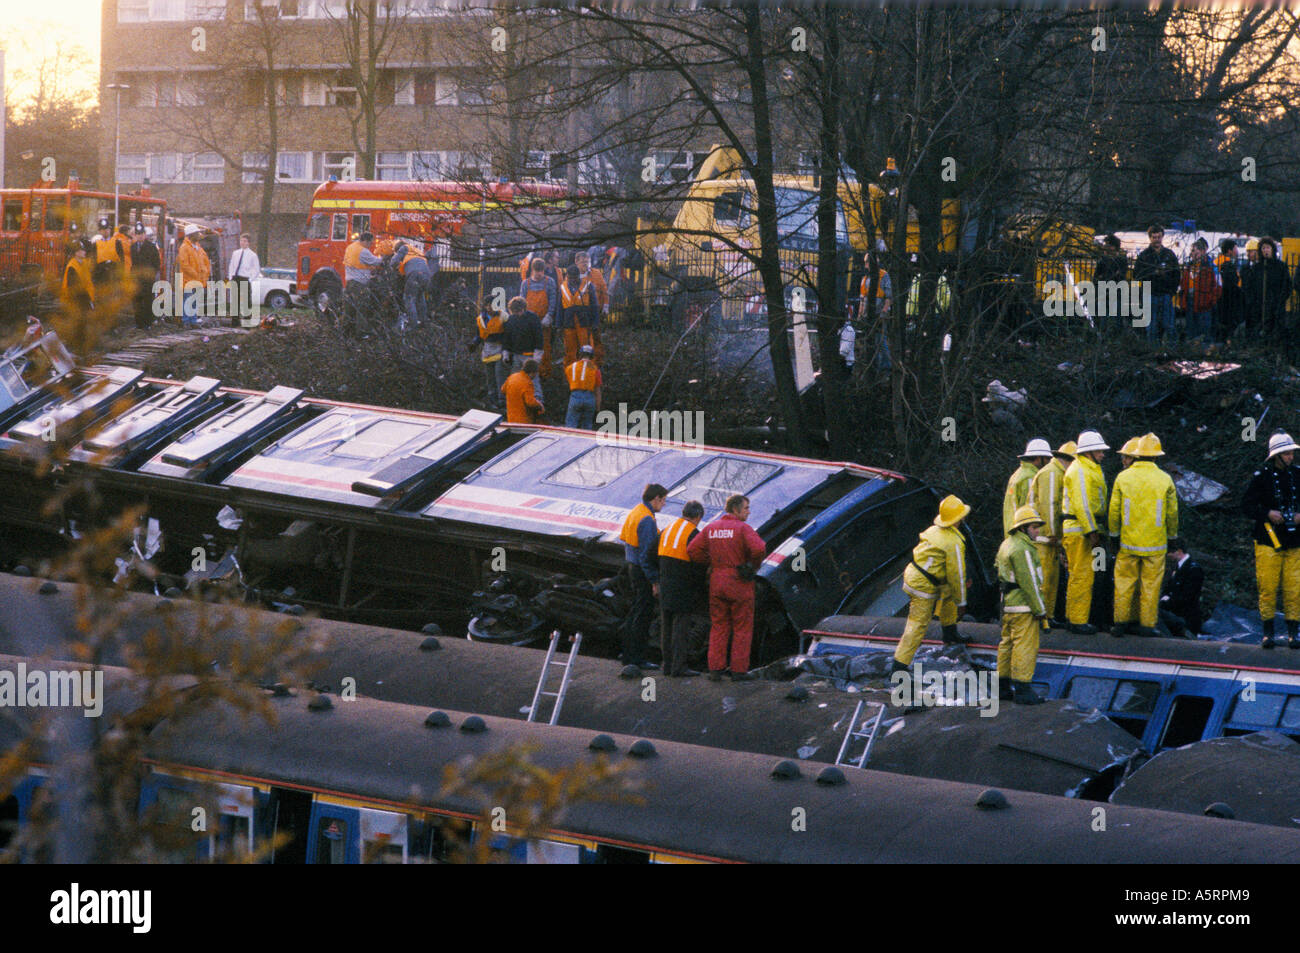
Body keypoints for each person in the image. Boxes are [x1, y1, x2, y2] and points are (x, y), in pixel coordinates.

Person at [890, 494, 972, 678]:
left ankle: (950, 633)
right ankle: (899, 666)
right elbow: (957, 575)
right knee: (917, 624)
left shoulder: (932, 531)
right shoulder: (954, 542)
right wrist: (962, 603)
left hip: (916, 574)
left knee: (948, 593)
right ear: (959, 518)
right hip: (923, 586)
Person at [688, 493, 768, 681]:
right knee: (742, 627)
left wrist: (711, 563)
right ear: (736, 509)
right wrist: (752, 566)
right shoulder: (743, 528)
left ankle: (715, 670)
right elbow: (759, 549)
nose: (749, 512)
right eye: (746, 508)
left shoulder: (711, 528)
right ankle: (738, 671)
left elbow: (692, 550)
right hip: (739, 582)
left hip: (717, 581)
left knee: (718, 625)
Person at [1108, 433, 1178, 638]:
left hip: (1128, 542)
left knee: (1124, 582)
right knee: (1150, 585)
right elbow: (1172, 513)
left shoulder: (1123, 477)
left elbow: (1114, 510)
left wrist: (1114, 535)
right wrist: (1172, 536)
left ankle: (1120, 623)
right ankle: (1147, 625)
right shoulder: (1165, 479)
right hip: (1155, 544)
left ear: (1137, 454)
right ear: (1156, 456)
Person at [1242, 430, 1300, 649]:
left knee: (1294, 588)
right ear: (1275, 455)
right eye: (1286, 454)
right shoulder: (1262, 477)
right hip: (1268, 540)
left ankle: (1294, 633)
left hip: (1295, 542)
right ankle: (1268, 633)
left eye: (1291, 453)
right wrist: (1267, 513)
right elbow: (1246, 506)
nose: (1290, 457)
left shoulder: (1298, 475)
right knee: (1267, 587)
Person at [996, 505, 1048, 705]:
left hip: (1008, 605)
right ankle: (1023, 690)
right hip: (1024, 607)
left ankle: (1002, 688)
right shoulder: (1023, 549)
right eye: (1034, 527)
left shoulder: (1006, 544)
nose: (1037, 532)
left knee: (1006, 645)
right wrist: (1040, 610)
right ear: (1023, 528)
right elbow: (1030, 583)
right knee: (1025, 646)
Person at [1061, 429, 1110, 633]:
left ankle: (1075, 618)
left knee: (1084, 575)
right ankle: (1077, 621)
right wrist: (1091, 531)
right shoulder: (1080, 470)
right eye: (1099, 451)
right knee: (1081, 576)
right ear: (1088, 452)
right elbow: (1082, 504)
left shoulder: (1088, 468)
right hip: (1080, 530)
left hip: (1085, 528)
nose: (1102, 454)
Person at [619, 484, 667, 672]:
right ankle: (637, 658)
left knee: (635, 612)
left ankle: (627, 653)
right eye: (663, 500)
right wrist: (654, 581)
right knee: (643, 615)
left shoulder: (636, 511)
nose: (663, 504)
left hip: (632, 566)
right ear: (655, 499)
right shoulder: (647, 520)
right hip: (642, 571)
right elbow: (647, 555)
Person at [657, 500, 707, 677]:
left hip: (665, 584)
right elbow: (699, 564)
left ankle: (667, 665)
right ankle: (679, 667)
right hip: (683, 587)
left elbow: (652, 554)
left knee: (666, 627)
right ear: (698, 516)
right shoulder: (694, 534)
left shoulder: (667, 529)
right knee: (681, 629)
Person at [1029, 440, 1075, 627]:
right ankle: (1043, 618)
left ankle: (1048, 616)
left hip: (1046, 537)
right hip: (1044, 537)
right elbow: (1049, 505)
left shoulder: (1054, 472)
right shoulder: (1052, 474)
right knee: (1045, 579)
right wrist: (1054, 534)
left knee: (1050, 579)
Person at [1132, 225, 1180, 344]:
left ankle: (1171, 349)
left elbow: (1177, 274)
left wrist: (1172, 291)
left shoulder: (1169, 255)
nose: (1157, 240)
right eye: (1154, 237)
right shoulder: (1144, 256)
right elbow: (1137, 274)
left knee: (1169, 325)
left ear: (1162, 237)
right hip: (1150, 294)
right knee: (1151, 326)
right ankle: (1152, 349)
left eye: (1159, 237)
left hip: (1165, 294)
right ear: (1150, 238)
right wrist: (1153, 273)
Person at [1242, 236, 1291, 340]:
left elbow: (1287, 286)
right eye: (1263, 248)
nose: (1266, 250)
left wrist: (1280, 300)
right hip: (1259, 306)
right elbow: (1250, 287)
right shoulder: (1256, 268)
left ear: (1272, 249)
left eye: (1268, 247)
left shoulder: (1281, 267)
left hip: (1276, 306)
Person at [502, 296, 545, 410]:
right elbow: (507, 338)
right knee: (515, 380)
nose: (518, 313)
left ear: (524, 308)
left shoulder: (533, 318)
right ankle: (517, 403)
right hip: (516, 356)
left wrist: (537, 356)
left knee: (534, 381)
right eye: (516, 311)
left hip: (530, 356)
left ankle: (538, 404)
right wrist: (506, 353)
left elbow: (539, 337)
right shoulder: (511, 320)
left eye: (520, 311)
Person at [1003, 438, 1051, 536]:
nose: (1048, 462)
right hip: (1023, 532)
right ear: (1038, 457)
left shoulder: (1018, 474)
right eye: (1047, 458)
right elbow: (1029, 509)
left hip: (1014, 531)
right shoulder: (1030, 477)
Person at [520, 257, 558, 380]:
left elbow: (553, 300)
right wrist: (524, 319)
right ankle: (528, 374)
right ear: (532, 270)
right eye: (537, 271)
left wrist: (549, 315)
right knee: (528, 349)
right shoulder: (525, 283)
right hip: (529, 322)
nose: (539, 273)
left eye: (541, 271)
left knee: (545, 348)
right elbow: (522, 302)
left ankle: (544, 374)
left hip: (544, 322)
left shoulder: (550, 282)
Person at [1159, 537, 1204, 638]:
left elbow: (1187, 596)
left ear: (1179, 551)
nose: (1167, 555)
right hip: (1176, 612)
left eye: (1169, 552)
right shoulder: (1178, 567)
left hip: (1186, 617)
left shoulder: (1193, 569)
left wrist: (1167, 602)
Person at [1178, 238, 1220, 345]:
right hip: (1190, 303)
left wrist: (1210, 300)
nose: (1193, 254)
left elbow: (1218, 286)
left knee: (1204, 332)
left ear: (1203, 252)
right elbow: (1182, 285)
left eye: (1196, 252)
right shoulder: (1188, 267)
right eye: (1192, 252)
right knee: (1191, 331)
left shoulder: (1211, 267)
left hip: (1204, 305)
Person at [858, 252, 892, 371]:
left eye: (867, 263)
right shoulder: (865, 279)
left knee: (880, 341)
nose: (866, 266)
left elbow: (889, 297)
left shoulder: (884, 276)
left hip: (879, 315)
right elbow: (862, 299)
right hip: (868, 316)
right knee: (871, 341)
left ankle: (886, 367)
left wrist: (884, 311)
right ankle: (875, 366)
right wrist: (860, 315)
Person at [342, 231, 382, 333]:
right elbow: (376, 261)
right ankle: (361, 332)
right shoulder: (363, 251)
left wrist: (369, 269)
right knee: (362, 308)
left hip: (349, 283)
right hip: (359, 284)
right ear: (366, 241)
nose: (370, 246)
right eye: (370, 243)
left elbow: (358, 263)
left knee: (349, 309)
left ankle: (345, 331)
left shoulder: (351, 247)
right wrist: (384, 257)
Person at [558, 263, 597, 366]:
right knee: (569, 349)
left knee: (586, 348)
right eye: (570, 278)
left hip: (584, 321)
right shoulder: (562, 287)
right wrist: (558, 324)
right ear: (567, 276)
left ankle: (587, 369)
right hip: (568, 322)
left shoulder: (588, 285)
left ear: (578, 276)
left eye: (574, 278)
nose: (572, 280)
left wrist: (595, 322)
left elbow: (594, 305)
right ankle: (571, 371)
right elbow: (559, 307)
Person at [574, 251, 608, 363]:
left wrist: (606, 306)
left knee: (596, 338)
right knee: (581, 339)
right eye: (583, 262)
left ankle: (597, 362)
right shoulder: (572, 275)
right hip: (579, 314)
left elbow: (604, 289)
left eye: (587, 262)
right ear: (576, 262)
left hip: (595, 312)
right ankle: (580, 362)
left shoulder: (596, 273)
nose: (586, 264)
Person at [177, 224, 211, 328]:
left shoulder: (198, 248)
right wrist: (197, 274)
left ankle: (193, 320)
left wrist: (205, 273)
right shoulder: (184, 248)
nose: (198, 235)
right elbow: (184, 264)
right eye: (196, 233)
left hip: (198, 280)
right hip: (189, 280)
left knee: (195, 300)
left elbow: (205, 262)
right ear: (191, 235)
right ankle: (186, 321)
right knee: (188, 300)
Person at [130, 224, 161, 330]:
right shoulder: (133, 247)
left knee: (148, 300)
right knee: (137, 301)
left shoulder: (151, 247)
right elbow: (133, 263)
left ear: (144, 234)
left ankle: (148, 323)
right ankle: (138, 323)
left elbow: (156, 263)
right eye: (137, 234)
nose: (139, 236)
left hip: (147, 279)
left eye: (141, 234)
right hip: (136, 279)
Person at [563, 343, 602, 430]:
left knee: (570, 426)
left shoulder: (570, 367)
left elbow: (570, 382)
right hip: (590, 398)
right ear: (592, 356)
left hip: (575, 396)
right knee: (587, 427)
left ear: (580, 354)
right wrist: (598, 408)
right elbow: (597, 391)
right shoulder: (596, 369)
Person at [1094, 235, 1128, 332]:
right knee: (1103, 322)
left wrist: (1104, 278)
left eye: (1109, 245)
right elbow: (1096, 278)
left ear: (1115, 247)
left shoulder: (1121, 261)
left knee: (1116, 322)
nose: (1106, 248)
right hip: (1104, 295)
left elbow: (1120, 278)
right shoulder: (1102, 261)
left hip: (1116, 295)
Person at [476, 307, 507, 410]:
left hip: (499, 350)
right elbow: (479, 335)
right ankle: (492, 398)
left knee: (499, 376)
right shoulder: (480, 318)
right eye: (488, 305)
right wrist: (474, 343)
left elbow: (508, 333)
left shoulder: (503, 316)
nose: (490, 308)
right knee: (490, 377)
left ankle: (502, 399)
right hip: (488, 352)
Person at [395, 243, 431, 331]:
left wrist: (390, 267)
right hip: (426, 275)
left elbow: (394, 261)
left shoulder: (403, 248)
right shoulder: (417, 253)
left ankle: (413, 325)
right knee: (420, 297)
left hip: (415, 275)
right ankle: (423, 322)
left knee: (409, 299)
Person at [500, 358, 544, 424]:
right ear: (532, 372)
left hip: (511, 418)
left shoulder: (512, 377)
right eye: (536, 373)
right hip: (524, 421)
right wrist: (540, 406)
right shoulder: (527, 383)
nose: (535, 376)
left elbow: (503, 390)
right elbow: (530, 402)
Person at [228, 233, 260, 320]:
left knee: (246, 301)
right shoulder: (235, 253)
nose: (242, 243)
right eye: (241, 241)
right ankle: (235, 321)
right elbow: (232, 265)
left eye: (245, 241)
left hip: (245, 278)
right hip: (235, 277)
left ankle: (247, 320)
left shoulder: (253, 255)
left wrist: (250, 279)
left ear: (248, 243)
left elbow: (256, 269)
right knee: (235, 300)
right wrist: (231, 277)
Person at [1215, 239, 1241, 343]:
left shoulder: (1217, 261)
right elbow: (1232, 283)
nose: (1237, 251)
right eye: (1235, 248)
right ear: (1229, 251)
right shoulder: (1227, 263)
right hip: (1226, 298)